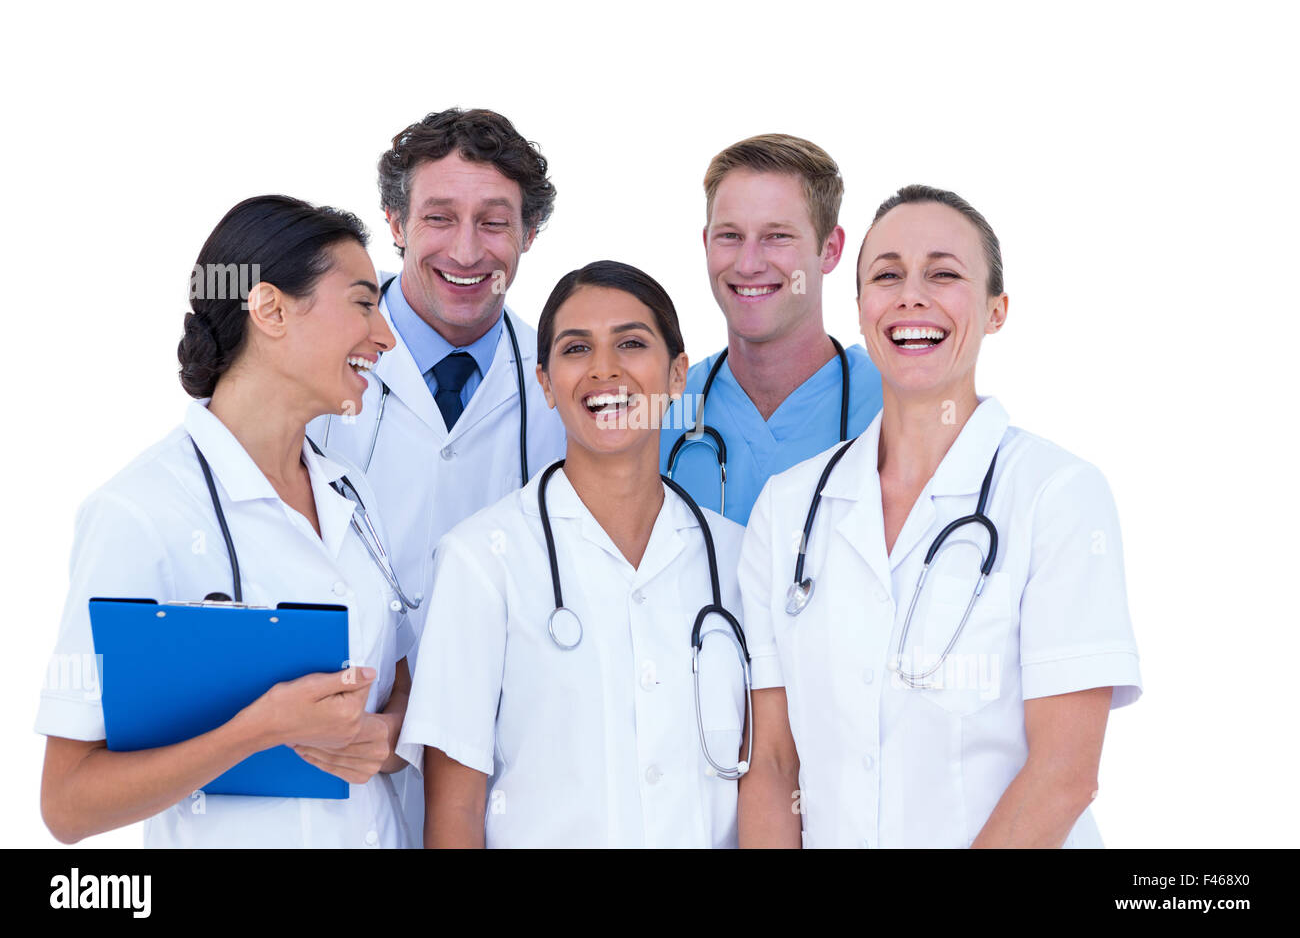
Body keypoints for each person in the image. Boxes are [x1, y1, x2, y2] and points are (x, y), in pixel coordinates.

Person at [737, 185, 1142, 848]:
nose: (911, 296)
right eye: (887, 275)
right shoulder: (788, 510)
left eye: (945, 274)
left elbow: (1065, 772)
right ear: (863, 307)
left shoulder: (1056, 494)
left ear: (996, 310)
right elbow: (776, 767)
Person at [36, 195, 414, 847]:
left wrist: (388, 738)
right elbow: (68, 805)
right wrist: (258, 729)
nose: (386, 335)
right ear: (269, 309)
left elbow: (398, 674)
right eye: (362, 303)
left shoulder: (350, 490)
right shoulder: (141, 512)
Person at [397, 261, 748, 848]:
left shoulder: (737, 561)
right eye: (576, 348)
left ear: (678, 373)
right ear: (544, 381)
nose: (604, 370)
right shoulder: (481, 560)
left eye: (631, 343)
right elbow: (455, 809)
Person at [306, 108, 568, 842]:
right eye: (439, 217)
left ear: (529, 236)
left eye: (494, 222)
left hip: (499, 772)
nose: (466, 249)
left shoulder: (566, 385)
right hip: (330, 770)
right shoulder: (308, 359)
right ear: (394, 222)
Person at [660, 133, 883, 525]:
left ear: (830, 249)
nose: (748, 264)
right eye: (729, 236)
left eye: (776, 236)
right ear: (706, 243)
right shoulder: (663, 409)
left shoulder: (891, 406)